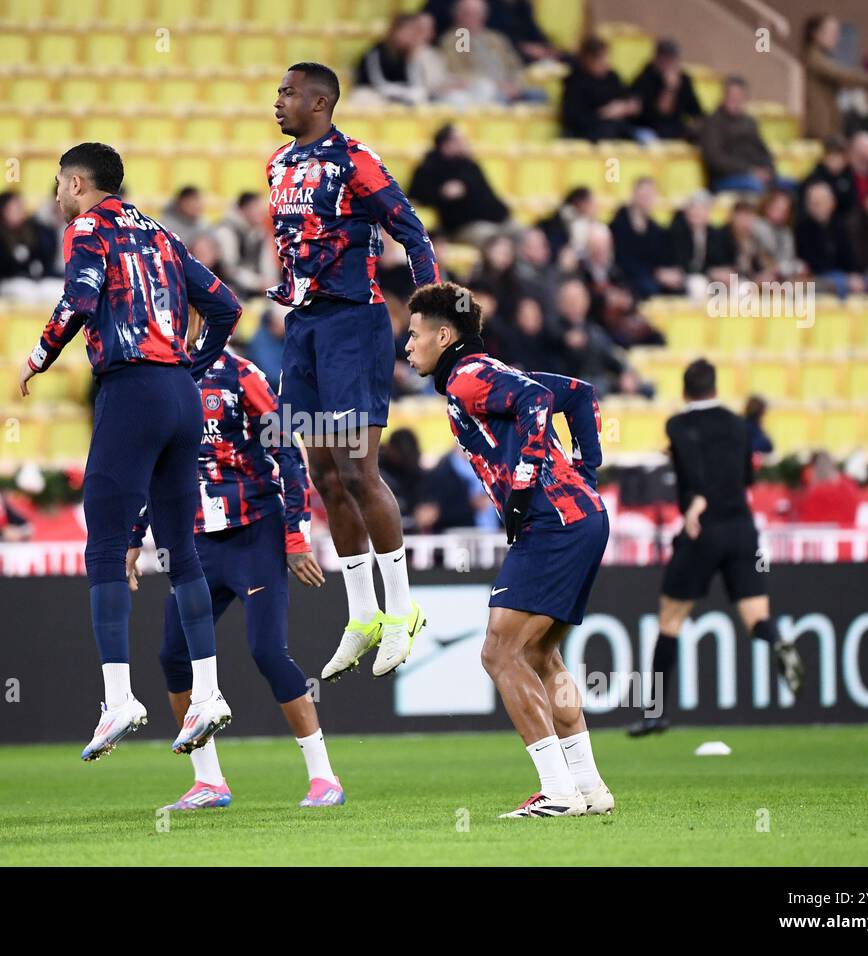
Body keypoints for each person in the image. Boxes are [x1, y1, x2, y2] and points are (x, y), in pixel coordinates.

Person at [16, 142, 241, 761]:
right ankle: (210, 693)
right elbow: (225, 304)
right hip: (179, 396)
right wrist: (191, 367)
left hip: (130, 391)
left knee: (107, 545)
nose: (56, 194)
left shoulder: (88, 228)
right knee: (180, 546)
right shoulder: (162, 234)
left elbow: (79, 300)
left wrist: (38, 358)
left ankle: (118, 698)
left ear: (79, 183)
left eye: (59, 182)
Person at [404, 281, 613, 819]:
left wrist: (522, 485)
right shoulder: (489, 372)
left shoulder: (470, 377)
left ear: (443, 335)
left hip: (552, 521)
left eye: (414, 334)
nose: (407, 346)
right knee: (542, 656)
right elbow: (579, 393)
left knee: (498, 653)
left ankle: (558, 791)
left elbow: (541, 401)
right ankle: (588, 788)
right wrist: (587, 470)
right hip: (580, 516)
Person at [128, 317, 342, 810]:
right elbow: (148, 471)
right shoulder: (155, 386)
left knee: (267, 650)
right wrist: (133, 537)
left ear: (199, 320)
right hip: (196, 541)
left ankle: (323, 777)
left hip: (255, 535)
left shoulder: (242, 375)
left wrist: (295, 535)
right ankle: (209, 782)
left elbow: (288, 452)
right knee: (172, 656)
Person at [267, 62, 436, 682]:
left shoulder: (354, 159)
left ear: (319, 102)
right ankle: (362, 615)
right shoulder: (278, 167)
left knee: (359, 471)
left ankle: (402, 610)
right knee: (324, 475)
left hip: (354, 326)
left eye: (287, 92)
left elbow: (413, 235)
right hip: (304, 328)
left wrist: (430, 317)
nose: (278, 101)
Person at [629, 359, 804, 737]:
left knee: (670, 620)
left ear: (684, 389)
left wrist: (694, 499)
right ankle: (778, 640)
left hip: (702, 529)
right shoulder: (738, 425)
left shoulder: (678, 425)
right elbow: (745, 476)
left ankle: (655, 713)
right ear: (714, 387)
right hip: (743, 528)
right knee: (756, 617)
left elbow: (692, 470)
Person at [407, 123, 511, 244]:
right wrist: (442, 193)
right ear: (445, 144)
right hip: (462, 226)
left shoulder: (470, 165)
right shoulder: (429, 167)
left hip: (495, 219)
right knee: (495, 240)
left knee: (521, 234)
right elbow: (416, 195)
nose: (464, 143)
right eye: (459, 140)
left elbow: (487, 195)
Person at [0, 190, 60, 302]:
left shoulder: (31, 231)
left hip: (32, 281)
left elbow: (42, 258)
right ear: (2, 210)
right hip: (2, 283)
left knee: (60, 291)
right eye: (15, 208)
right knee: (26, 293)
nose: (20, 211)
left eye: (21, 207)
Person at [701, 77, 780, 193]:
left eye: (739, 98)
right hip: (725, 178)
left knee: (787, 186)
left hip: (754, 174)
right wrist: (749, 170)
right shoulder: (712, 122)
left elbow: (763, 151)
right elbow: (715, 159)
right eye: (732, 97)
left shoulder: (750, 122)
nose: (736, 101)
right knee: (756, 186)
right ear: (723, 97)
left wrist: (768, 170)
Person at [802, 13, 868, 140]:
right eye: (830, 32)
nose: (835, 37)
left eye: (836, 33)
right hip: (819, 126)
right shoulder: (812, 57)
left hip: (828, 125)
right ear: (815, 33)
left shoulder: (822, 57)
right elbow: (841, 74)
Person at [561, 35, 641, 142]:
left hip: (620, 128)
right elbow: (572, 118)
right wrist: (605, 113)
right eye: (601, 59)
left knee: (645, 136)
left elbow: (628, 98)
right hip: (590, 132)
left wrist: (626, 107)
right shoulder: (575, 81)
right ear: (588, 59)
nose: (606, 63)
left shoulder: (612, 76)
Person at [630, 39, 703, 141]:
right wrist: (669, 89)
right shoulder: (646, 77)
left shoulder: (684, 79)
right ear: (656, 59)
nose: (668, 63)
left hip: (675, 129)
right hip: (649, 128)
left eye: (672, 59)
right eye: (664, 58)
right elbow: (660, 113)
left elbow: (696, 111)